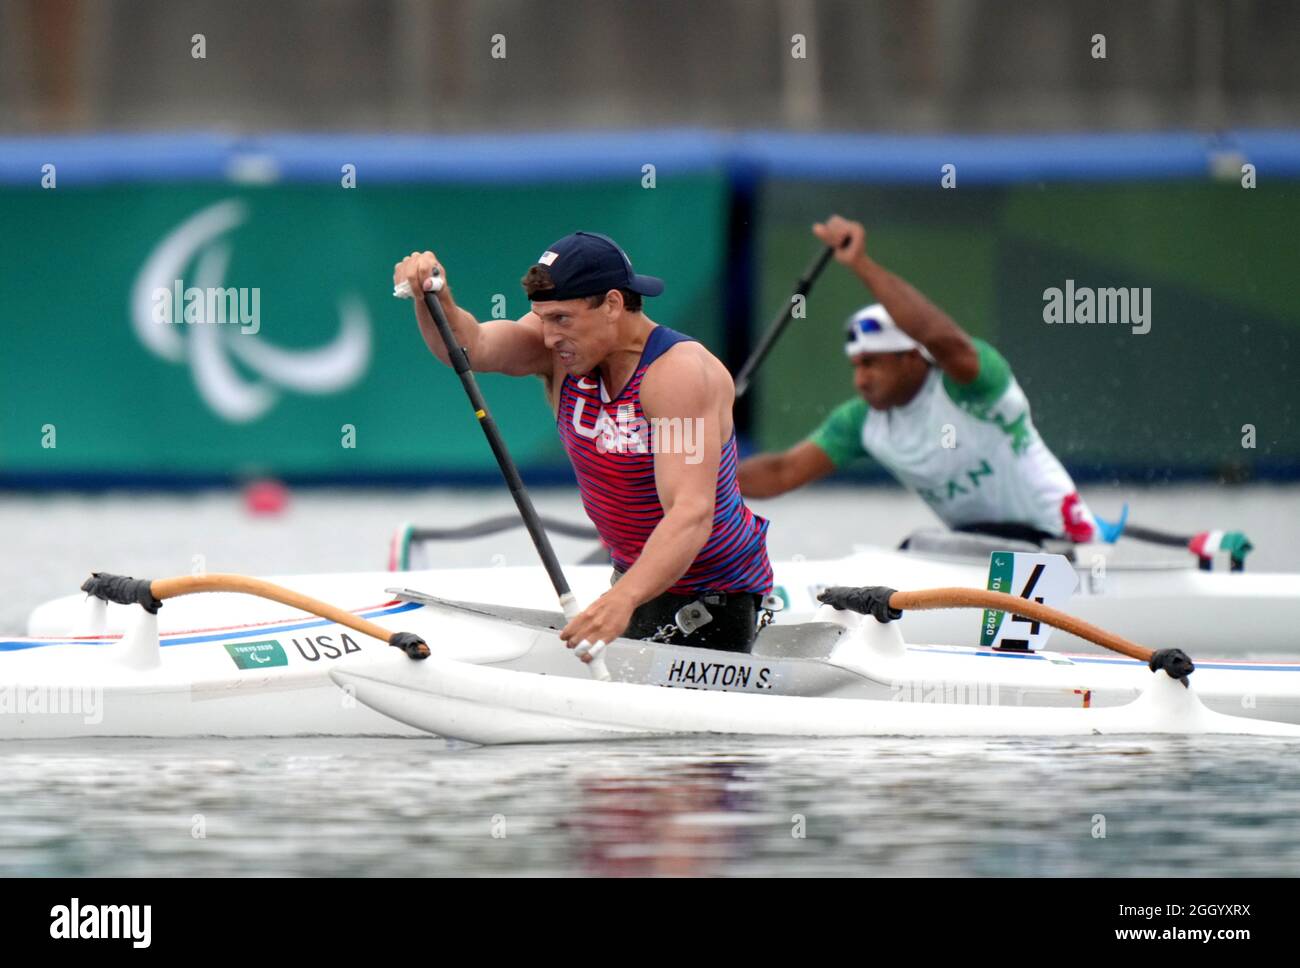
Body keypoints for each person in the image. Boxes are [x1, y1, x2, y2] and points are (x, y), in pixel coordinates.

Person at [394, 231, 773, 655]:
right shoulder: (559, 351)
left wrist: (622, 600)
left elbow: (691, 515)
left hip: (712, 599)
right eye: (542, 317)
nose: (550, 336)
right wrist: (433, 297)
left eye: (562, 319)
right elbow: (471, 347)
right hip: (633, 583)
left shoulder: (678, 374)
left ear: (612, 304)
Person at [738, 215, 1097, 545]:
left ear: (911, 357)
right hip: (982, 549)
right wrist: (702, 480)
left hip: (1061, 545)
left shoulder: (971, 385)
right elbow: (782, 471)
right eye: (855, 366)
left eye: (872, 363)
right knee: (912, 548)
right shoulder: (862, 422)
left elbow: (939, 336)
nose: (860, 379)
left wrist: (861, 265)